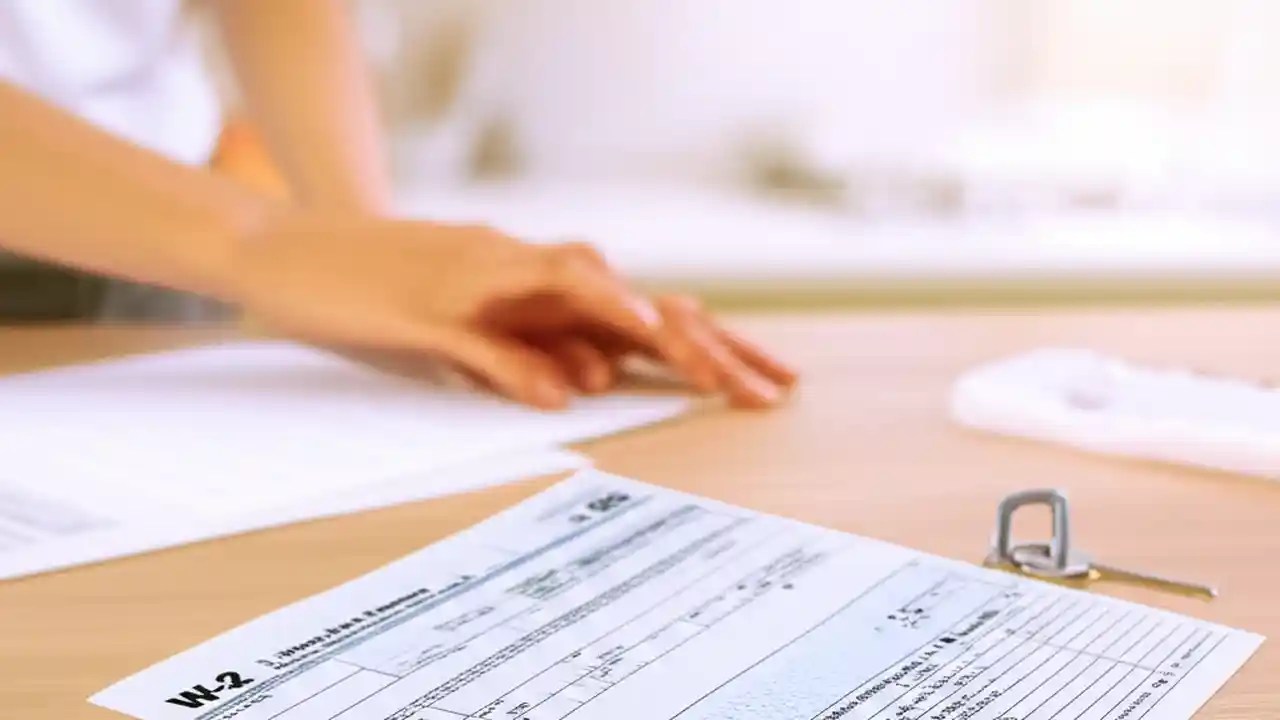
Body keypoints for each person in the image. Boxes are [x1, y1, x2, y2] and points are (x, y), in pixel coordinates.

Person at [0, 0, 795, 409]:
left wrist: (373, 261)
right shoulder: (247, 241)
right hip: (204, 235)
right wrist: (273, 249)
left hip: (164, 247)